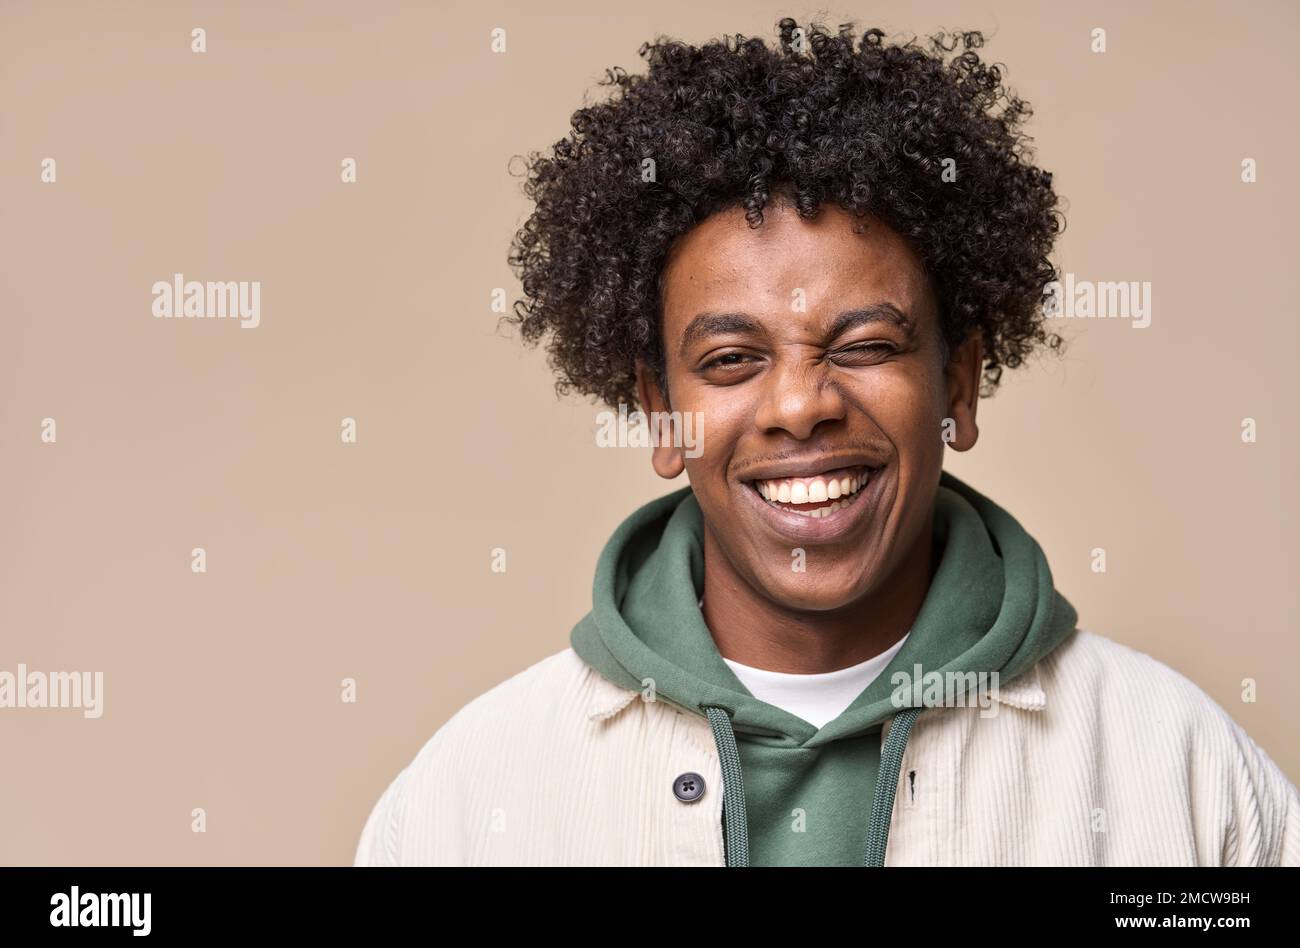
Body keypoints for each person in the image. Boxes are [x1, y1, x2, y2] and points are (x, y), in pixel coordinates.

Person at [354, 17, 1299, 866]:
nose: (801, 405)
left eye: (866, 346)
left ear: (958, 385)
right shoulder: (465, 805)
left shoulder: (1186, 781)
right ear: (659, 412)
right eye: (729, 360)